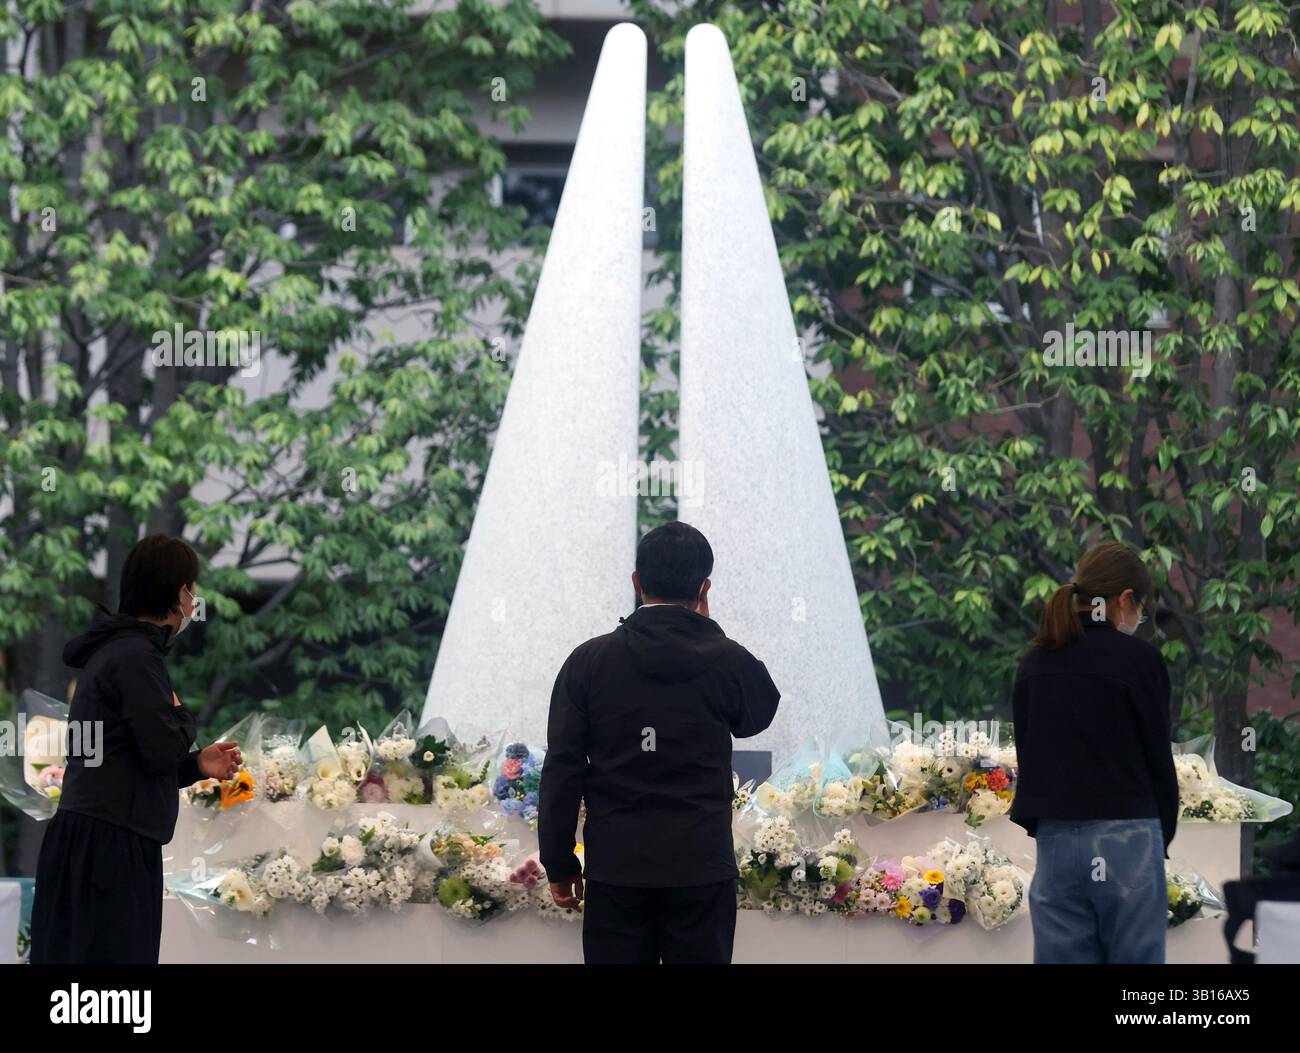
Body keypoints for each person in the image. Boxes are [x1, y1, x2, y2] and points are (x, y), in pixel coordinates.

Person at [539, 522, 780, 963]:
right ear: (704, 588)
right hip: (701, 868)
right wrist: (710, 633)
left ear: (637, 583)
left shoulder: (588, 661)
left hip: (617, 870)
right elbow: (757, 714)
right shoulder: (725, 659)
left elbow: (563, 767)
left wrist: (559, 862)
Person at [31, 533, 242, 964]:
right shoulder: (136, 657)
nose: (193, 600)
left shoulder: (115, 651)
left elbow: (132, 756)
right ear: (181, 593)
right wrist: (182, 715)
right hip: (110, 848)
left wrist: (196, 765)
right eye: (192, 589)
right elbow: (162, 747)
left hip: (92, 838)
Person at [1010, 540, 1178, 964]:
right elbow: (1158, 758)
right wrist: (1161, 835)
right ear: (1125, 599)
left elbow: (1028, 757)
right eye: (1141, 607)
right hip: (1128, 838)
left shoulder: (1034, 664)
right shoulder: (1141, 661)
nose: (1139, 618)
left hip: (1056, 841)